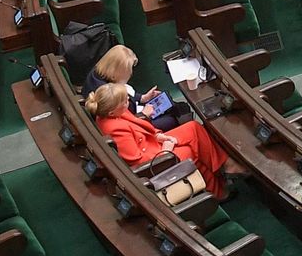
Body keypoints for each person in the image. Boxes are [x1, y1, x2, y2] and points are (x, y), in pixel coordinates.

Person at [86, 81, 232, 198]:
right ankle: (218, 190)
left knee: (193, 127)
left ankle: (224, 166)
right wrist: (165, 150)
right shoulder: (115, 129)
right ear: (112, 111)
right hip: (156, 161)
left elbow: (139, 126)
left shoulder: (112, 111)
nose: (128, 102)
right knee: (191, 151)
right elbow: (139, 162)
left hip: (154, 143)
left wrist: (158, 135)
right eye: (124, 102)